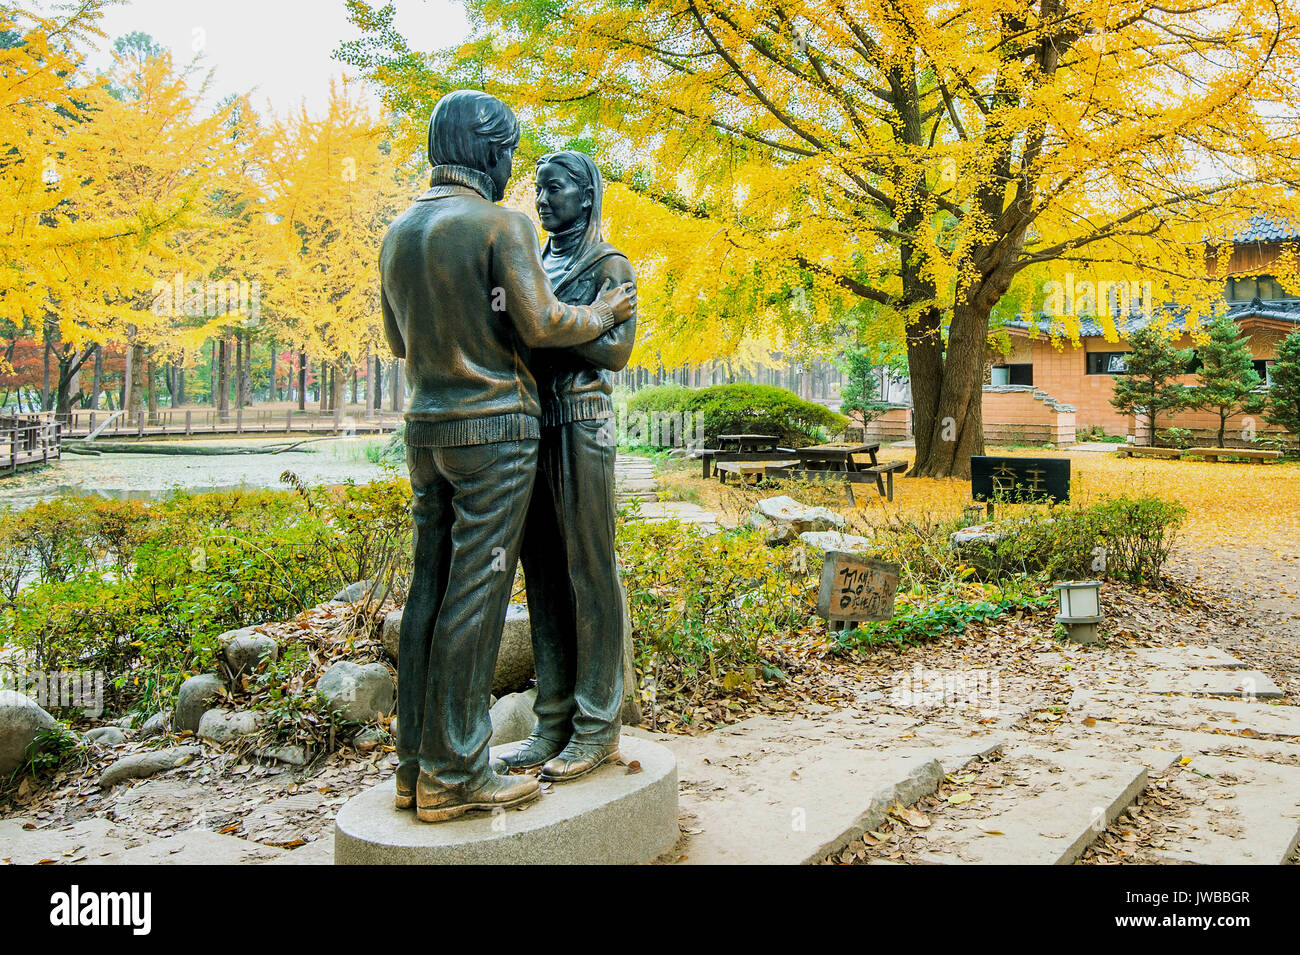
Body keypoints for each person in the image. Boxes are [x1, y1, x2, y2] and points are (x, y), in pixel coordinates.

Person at [380, 91, 635, 823]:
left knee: (428, 590)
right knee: (476, 594)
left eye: (555, 180)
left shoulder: (399, 231)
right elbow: (544, 321)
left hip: (427, 429)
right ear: (488, 151)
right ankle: (457, 772)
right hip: (493, 434)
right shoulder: (501, 226)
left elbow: (401, 342)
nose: (521, 176)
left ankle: (417, 766)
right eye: (514, 157)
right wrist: (602, 314)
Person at [499, 151, 636, 782]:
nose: (543, 198)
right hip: (528, 422)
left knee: (590, 566)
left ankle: (598, 725)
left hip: (582, 421)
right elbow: (518, 334)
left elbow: (615, 350)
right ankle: (551, 721)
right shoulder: (528, 262)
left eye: (556, 188)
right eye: (538, 188)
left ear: (586, 195)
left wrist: (546, 327)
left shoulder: (608, 264)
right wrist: (559, 325)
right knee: (543, 571)